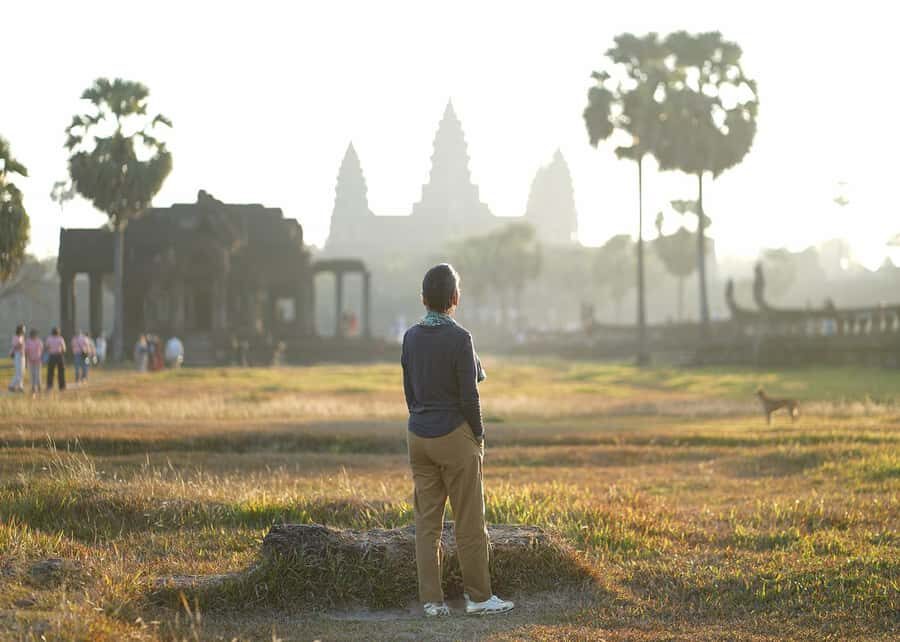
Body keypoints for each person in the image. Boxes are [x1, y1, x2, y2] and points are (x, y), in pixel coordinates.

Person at [401, 263, 513, 617]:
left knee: (427, 524)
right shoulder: (461, 338)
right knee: (468, 521)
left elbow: (409, 391)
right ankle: (479, 597)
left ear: (423, 299)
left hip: (418, 435)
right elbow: (470, 398)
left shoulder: (410, 337)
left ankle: (432, 602)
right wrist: (478, 435)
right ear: (455, 298)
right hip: (454, 435)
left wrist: (420, 417)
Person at [45, 327, 66, 391]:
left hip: (52, 356)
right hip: (59, 355)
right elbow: (64, 349)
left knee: (50, 372)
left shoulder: (49, 338)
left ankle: (49, 386)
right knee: (61, 372)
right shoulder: (60, 338)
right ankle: (62, 386)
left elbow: (47, 347)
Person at [8, 324, 26, 393]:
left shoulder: (22, 337)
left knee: (22, 372)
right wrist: (20, 344)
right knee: (18, 372)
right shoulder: (15, 337)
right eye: (23, 329)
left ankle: (17, 386)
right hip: (17, 355)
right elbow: (15, 346)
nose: (24, 330)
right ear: (20, 330)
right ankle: (14, 386)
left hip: (22, 355)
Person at [24, 329, 43, 395]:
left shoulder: (39, 341)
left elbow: (41, 350)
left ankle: (39, 386)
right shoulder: (28, 341)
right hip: (30, 360)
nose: (34, 335)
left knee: (37, 374)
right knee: (32, 374)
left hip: (37, 360)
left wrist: (40, 358)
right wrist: (26, 361)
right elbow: (26, 351)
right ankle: (33, 387)